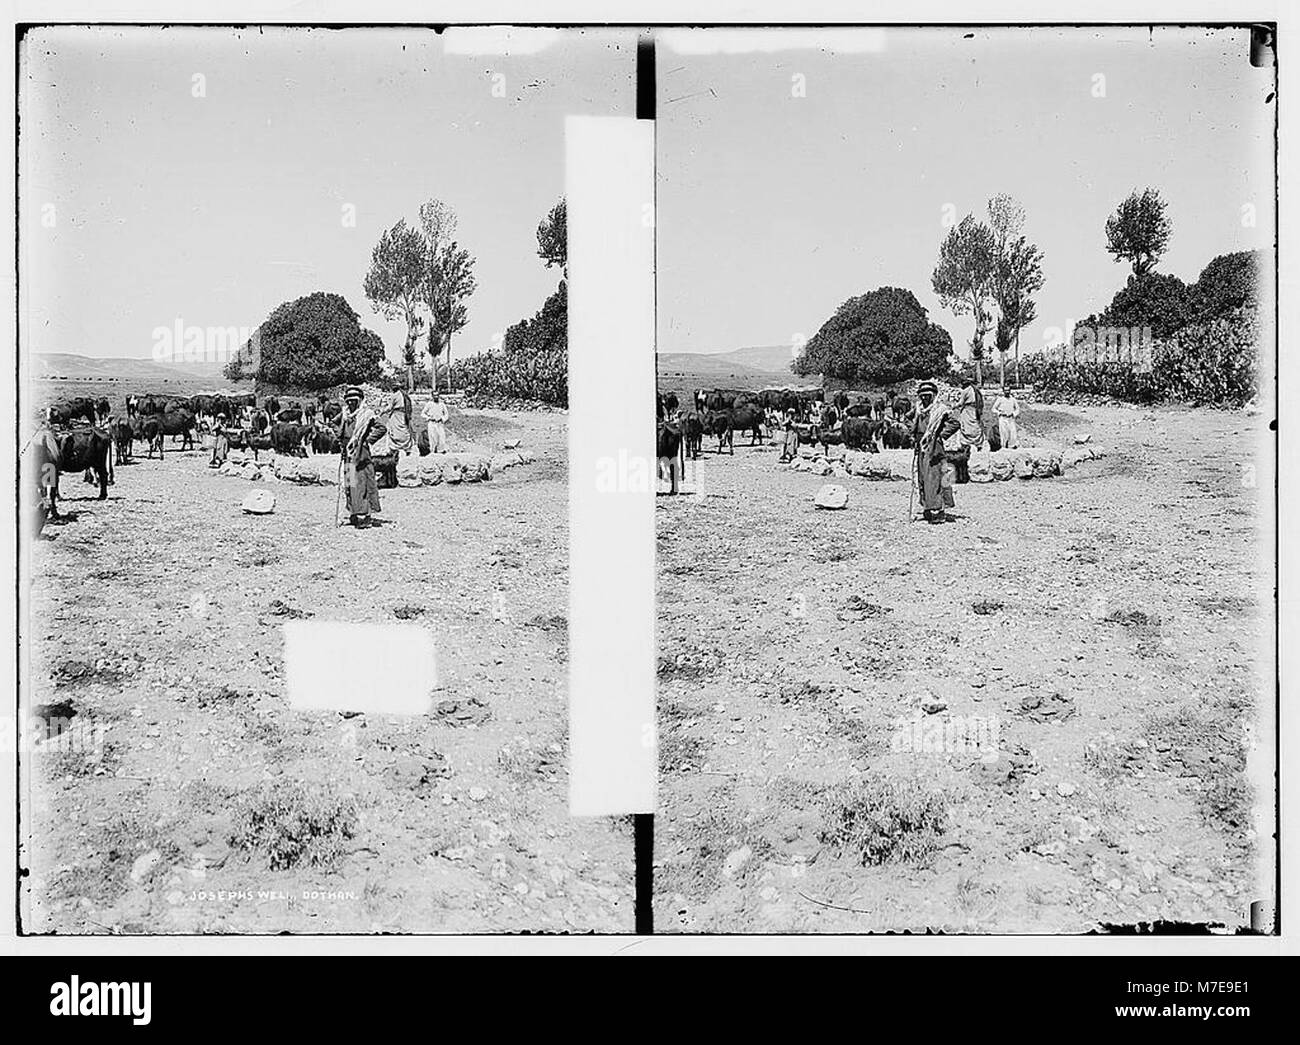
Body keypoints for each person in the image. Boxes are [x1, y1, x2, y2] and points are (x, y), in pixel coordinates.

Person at [911, 380, 960, 524]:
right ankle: (927, 507)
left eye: (928, 395)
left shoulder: (940, 410)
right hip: (921, 447)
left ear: (934, 396)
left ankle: (939, 511)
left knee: (936, 479)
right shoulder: (919, 409)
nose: (925, 398)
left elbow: (955, 423)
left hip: (934, 449)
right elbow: (911, 421)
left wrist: (940, 436)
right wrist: (914, 436)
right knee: (923, 478)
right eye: (922, 395)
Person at [338, 386, 387, 528]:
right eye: (349, 401)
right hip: (348, 453)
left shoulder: (366, 415)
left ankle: (365, 516)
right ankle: (353, 513)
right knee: (350, 483)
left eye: (354, 401)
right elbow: (335, 425)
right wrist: (341, 440)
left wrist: (367, 441)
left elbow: (381, 428)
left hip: (361, 454)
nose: (351, 404)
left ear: (360, 401)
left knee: (362, 484)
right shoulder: (345, 414)